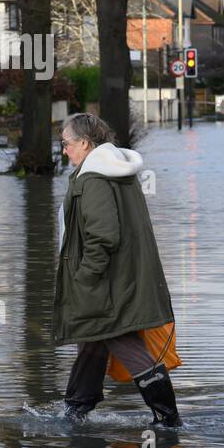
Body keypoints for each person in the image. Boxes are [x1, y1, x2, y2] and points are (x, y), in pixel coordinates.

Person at [54, 113, 180, 427]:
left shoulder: (93, 179)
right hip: (121, 280)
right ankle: (75, 410)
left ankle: (167, 419)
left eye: (67, 144)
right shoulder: (115, 171)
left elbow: (103, 236)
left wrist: (84, 278)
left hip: (107, 285)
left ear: (84, 143)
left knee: (120, 340)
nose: (64, 151)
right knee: (93, 338)